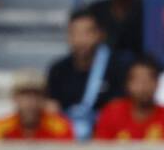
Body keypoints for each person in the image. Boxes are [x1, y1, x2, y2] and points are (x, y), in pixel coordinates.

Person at [46, 8, 131, 139]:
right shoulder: (57, 70)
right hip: (66, 139)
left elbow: (121, 109)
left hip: (106, 138)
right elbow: (52, 108)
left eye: (87, 33)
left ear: (100, 35)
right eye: (75, 33)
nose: (81, 40)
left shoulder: (117, 67)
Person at [93, 58, 164, 140]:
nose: (143, 87)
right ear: (127, 85)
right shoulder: (111, 113)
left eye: (148, 80)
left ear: (157, 83)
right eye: (137, 81)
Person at [0, 71, 75, 140]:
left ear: (44, 98)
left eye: (36, 94)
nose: (31, 101)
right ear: (15, 98)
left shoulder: (61, 128)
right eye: (25, 94)